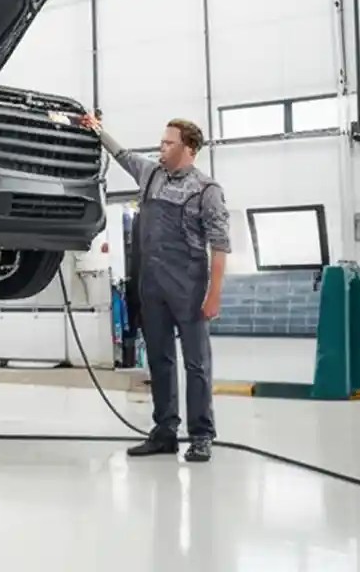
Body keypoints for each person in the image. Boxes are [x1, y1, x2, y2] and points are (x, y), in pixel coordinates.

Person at [80, 115, 230, 463]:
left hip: (189, 287)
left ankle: (202, 435)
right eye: (162, 142)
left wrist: (214, 294)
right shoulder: (150, 174)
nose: (161, 147)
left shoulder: (207, 191)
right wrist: (97, 130)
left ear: (188, 148)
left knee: (196, 364)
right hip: (152, 285)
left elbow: (220, 247)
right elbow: (122, 154)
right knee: (160, 361)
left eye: (168, 143)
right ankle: (164, 431)